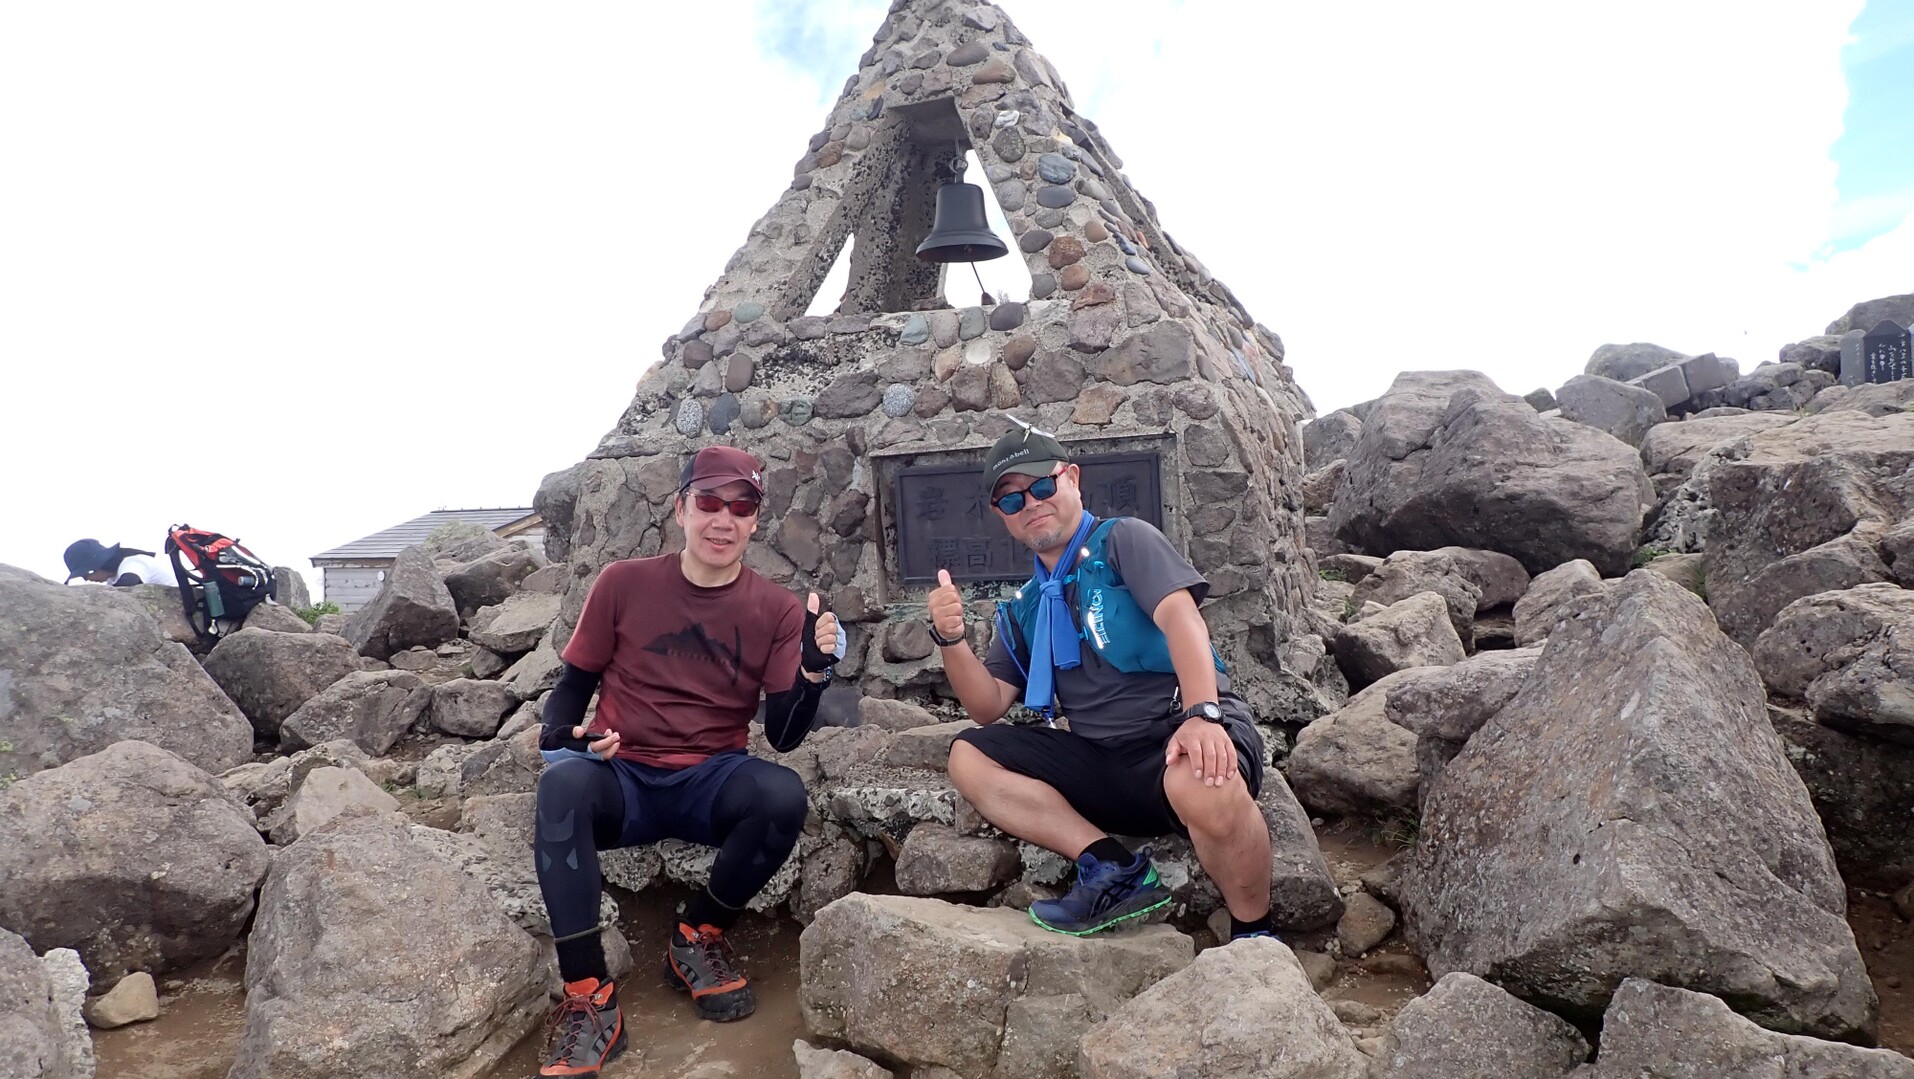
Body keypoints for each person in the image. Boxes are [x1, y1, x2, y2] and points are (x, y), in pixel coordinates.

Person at [532, 444, 843, 1078]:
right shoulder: (624, 583)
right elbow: (567, 694)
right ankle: (589, 996)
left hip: (711, 779)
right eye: (709, 502)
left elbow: (782, 737)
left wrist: (812, 674)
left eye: (741, 505)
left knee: (782, 794)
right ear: (681, 509)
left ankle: (698, 936)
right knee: (561, 786)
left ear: (756, 520)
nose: (723, 519)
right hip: (623, 776)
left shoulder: (778, 610)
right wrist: (570, 737)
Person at [928, 421, 1277, 942]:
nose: (1030, 503)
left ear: (1072, 478)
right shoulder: (1026, 605)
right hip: (1102, 759)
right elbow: (986, 705)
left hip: (1174, 729)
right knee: (967, 754)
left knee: (1201, 781)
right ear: (1003, 516)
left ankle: (1256, 935)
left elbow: (1182, 619)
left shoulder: (1123, 541)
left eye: (1042, 486)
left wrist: (1202, 715)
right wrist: (950, 638)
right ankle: (1113, 867)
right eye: (1011, 499)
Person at [63, 538, 179, 587]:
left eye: (85, 574)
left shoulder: (133, 562)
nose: (86, 579)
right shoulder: (112, 579)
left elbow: (129, 582)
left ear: (96, 565)